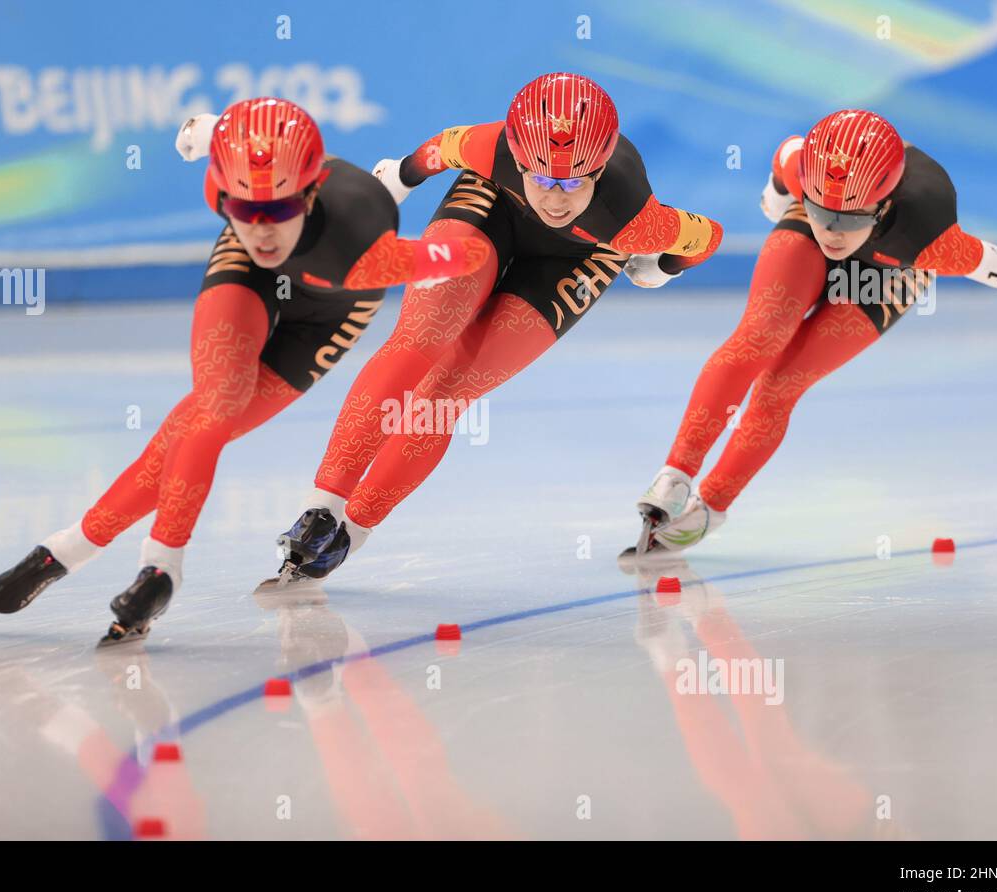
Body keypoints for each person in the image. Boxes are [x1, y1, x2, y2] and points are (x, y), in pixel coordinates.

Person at [0, 97, 489, 645]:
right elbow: (228, 135)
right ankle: (160, 568)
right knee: (213, 408)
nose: (261, 230)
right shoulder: (235, 174)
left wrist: (466, 257)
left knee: (196, 428)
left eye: (278, 211)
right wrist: (204, 132)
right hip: (251, 282)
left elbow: (454, 259)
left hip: (333, 305)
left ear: (307, 194)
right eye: (243, 209)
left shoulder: (368, 250)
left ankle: (66, 550)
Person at [271, 72, 723, 586]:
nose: (554, 198)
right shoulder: (493, 148)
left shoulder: (638, 219)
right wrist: (401, 174)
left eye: (572, 182)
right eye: (542, 177)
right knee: (420, 340)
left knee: (446, 391)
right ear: (519, 158)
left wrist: (663, 267)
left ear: (597, 171)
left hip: (583, 255)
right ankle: (322, 507)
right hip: (492, 207)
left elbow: (709, 236)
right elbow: (440, 150)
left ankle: (354, 529)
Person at [633, 109, 997, 553]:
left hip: (892, 270)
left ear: (883, 206)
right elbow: (784, 179)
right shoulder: (798, 161)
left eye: (852, 219)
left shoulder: (935, 241)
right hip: (828, 218)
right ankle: (675, 474)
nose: (834, 233)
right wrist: (787, 201)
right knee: (759, 336)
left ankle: (713, 506)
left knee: (780, 385)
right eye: (825, 213)